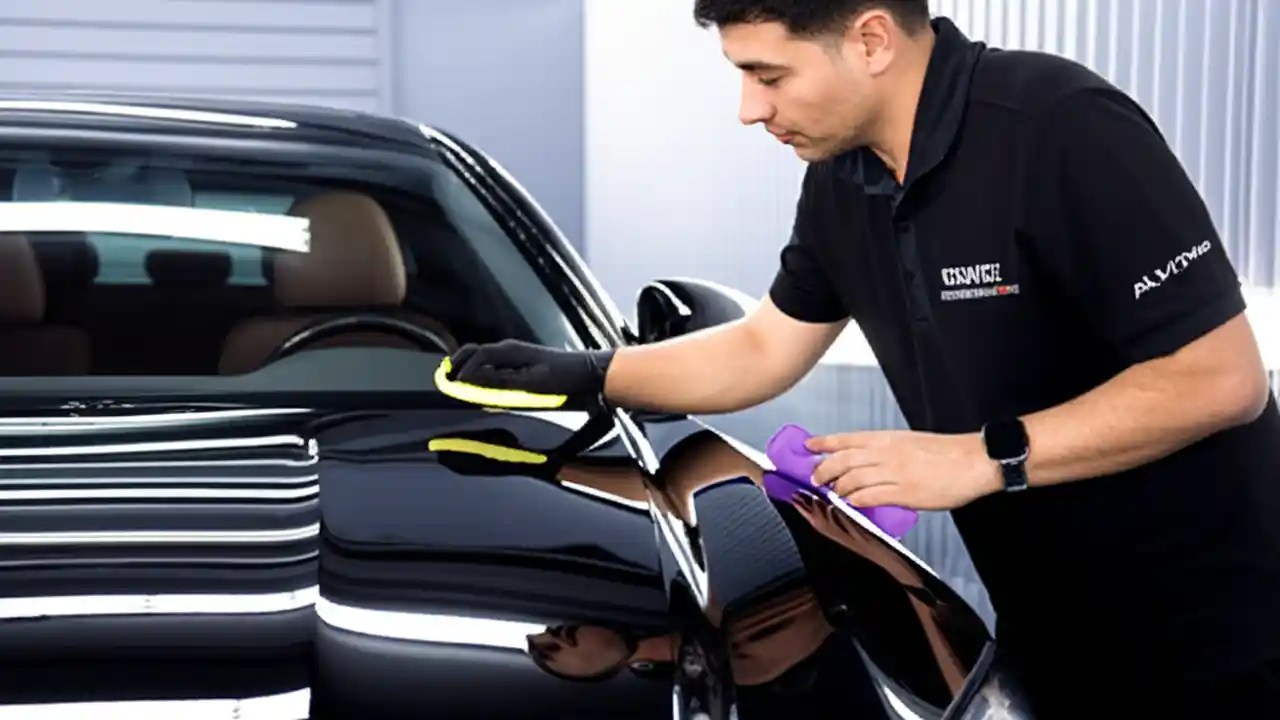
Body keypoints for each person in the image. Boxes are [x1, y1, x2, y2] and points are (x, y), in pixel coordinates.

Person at [447, 0, 1280, 715]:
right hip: (1043, 629)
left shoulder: (1061, 128)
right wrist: (591, 375)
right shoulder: (844, 180)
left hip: (1217, 635)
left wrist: (982, 457)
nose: (747, 108)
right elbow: (764, 347)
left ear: (872, 40)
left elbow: (1222, 377)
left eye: (769, 76)